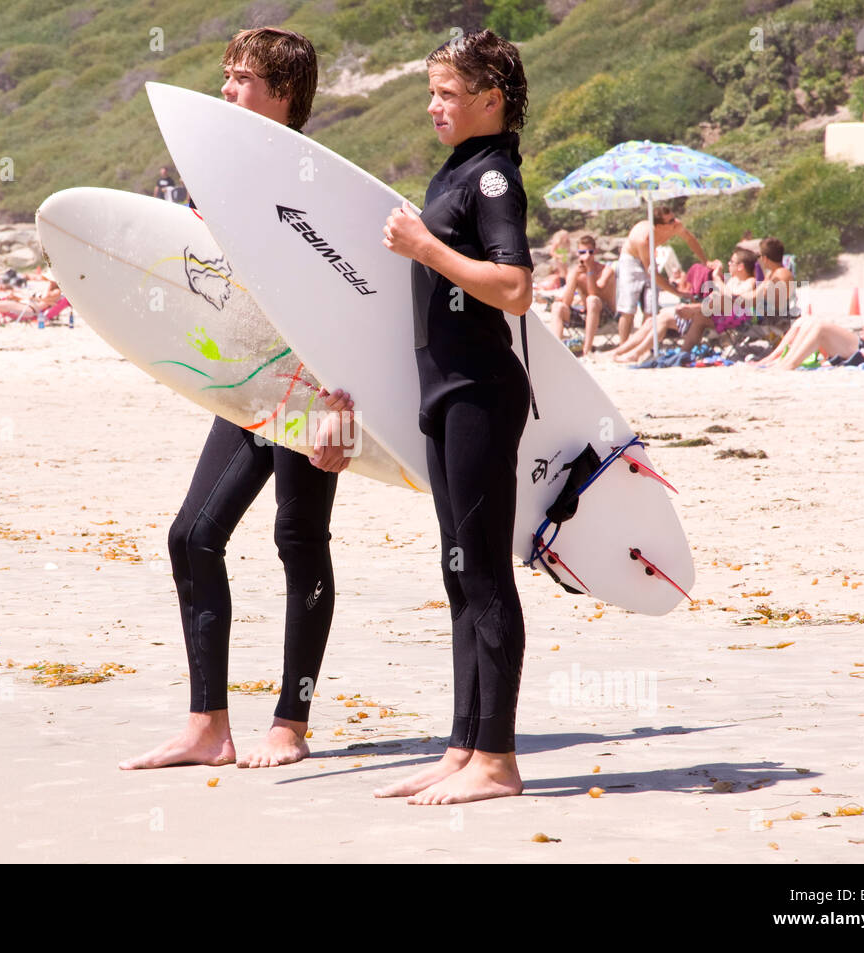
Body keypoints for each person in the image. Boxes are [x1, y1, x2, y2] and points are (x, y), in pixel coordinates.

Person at [119, 27, 354, 773]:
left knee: (298, 540)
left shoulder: (312, 181)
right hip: (252, 381)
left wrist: (338, 403)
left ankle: (291, 720)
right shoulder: (218, 173)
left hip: (312, 386)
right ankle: (208, 724)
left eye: (242, 78)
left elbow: (347, 296)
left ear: (283, 96)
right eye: (225, 74)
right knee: (192, 535)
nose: (226, 89)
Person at [376, 30, 533, 804]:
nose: (434, 105)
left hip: (478, 389)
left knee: (487, 572)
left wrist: (424, 248)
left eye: (447, 92)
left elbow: (513, 287)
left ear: (489, 101)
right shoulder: (457, 170)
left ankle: (499, 761)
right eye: (432, 92)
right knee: (458, 569)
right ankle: (465, 743)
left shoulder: (494, 178)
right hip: (445, 391)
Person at [610, 245, 757, 363]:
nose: (728, 264)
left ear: (740, 267)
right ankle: (621, 350)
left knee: (664, 318)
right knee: (653, 320)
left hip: (730, 320)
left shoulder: (750, 282)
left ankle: (635, 354)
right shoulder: (732, 280)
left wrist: (716, 279)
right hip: (714, 315)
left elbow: (733, 299)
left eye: (731, 262)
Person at [614, 203, 706, 344]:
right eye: (670, 221)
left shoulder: (675, 226)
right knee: (628, 308)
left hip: (650, 258)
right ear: (659, 226)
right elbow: (653, 274)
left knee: (651, 307)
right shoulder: (644, 239)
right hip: (631, 260)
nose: (675, 222)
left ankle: (644, 344)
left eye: (674, 218)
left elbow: (690, 240)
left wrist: (705, 261)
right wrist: (678, 293)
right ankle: (623, 345)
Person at [547, 233, 614, 355]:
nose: (586, 256)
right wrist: (573, 277)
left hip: (605, 315)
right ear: (578, 253)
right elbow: (566, 302)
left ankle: (586, 350)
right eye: (583, 252)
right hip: (585, 315)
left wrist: (590, 271)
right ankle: (555, 349)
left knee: (592, 300)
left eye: (590, 252)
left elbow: (594, 293)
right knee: (557, 306)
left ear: (596, 252)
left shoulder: (606, 270)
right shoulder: (576, 272)